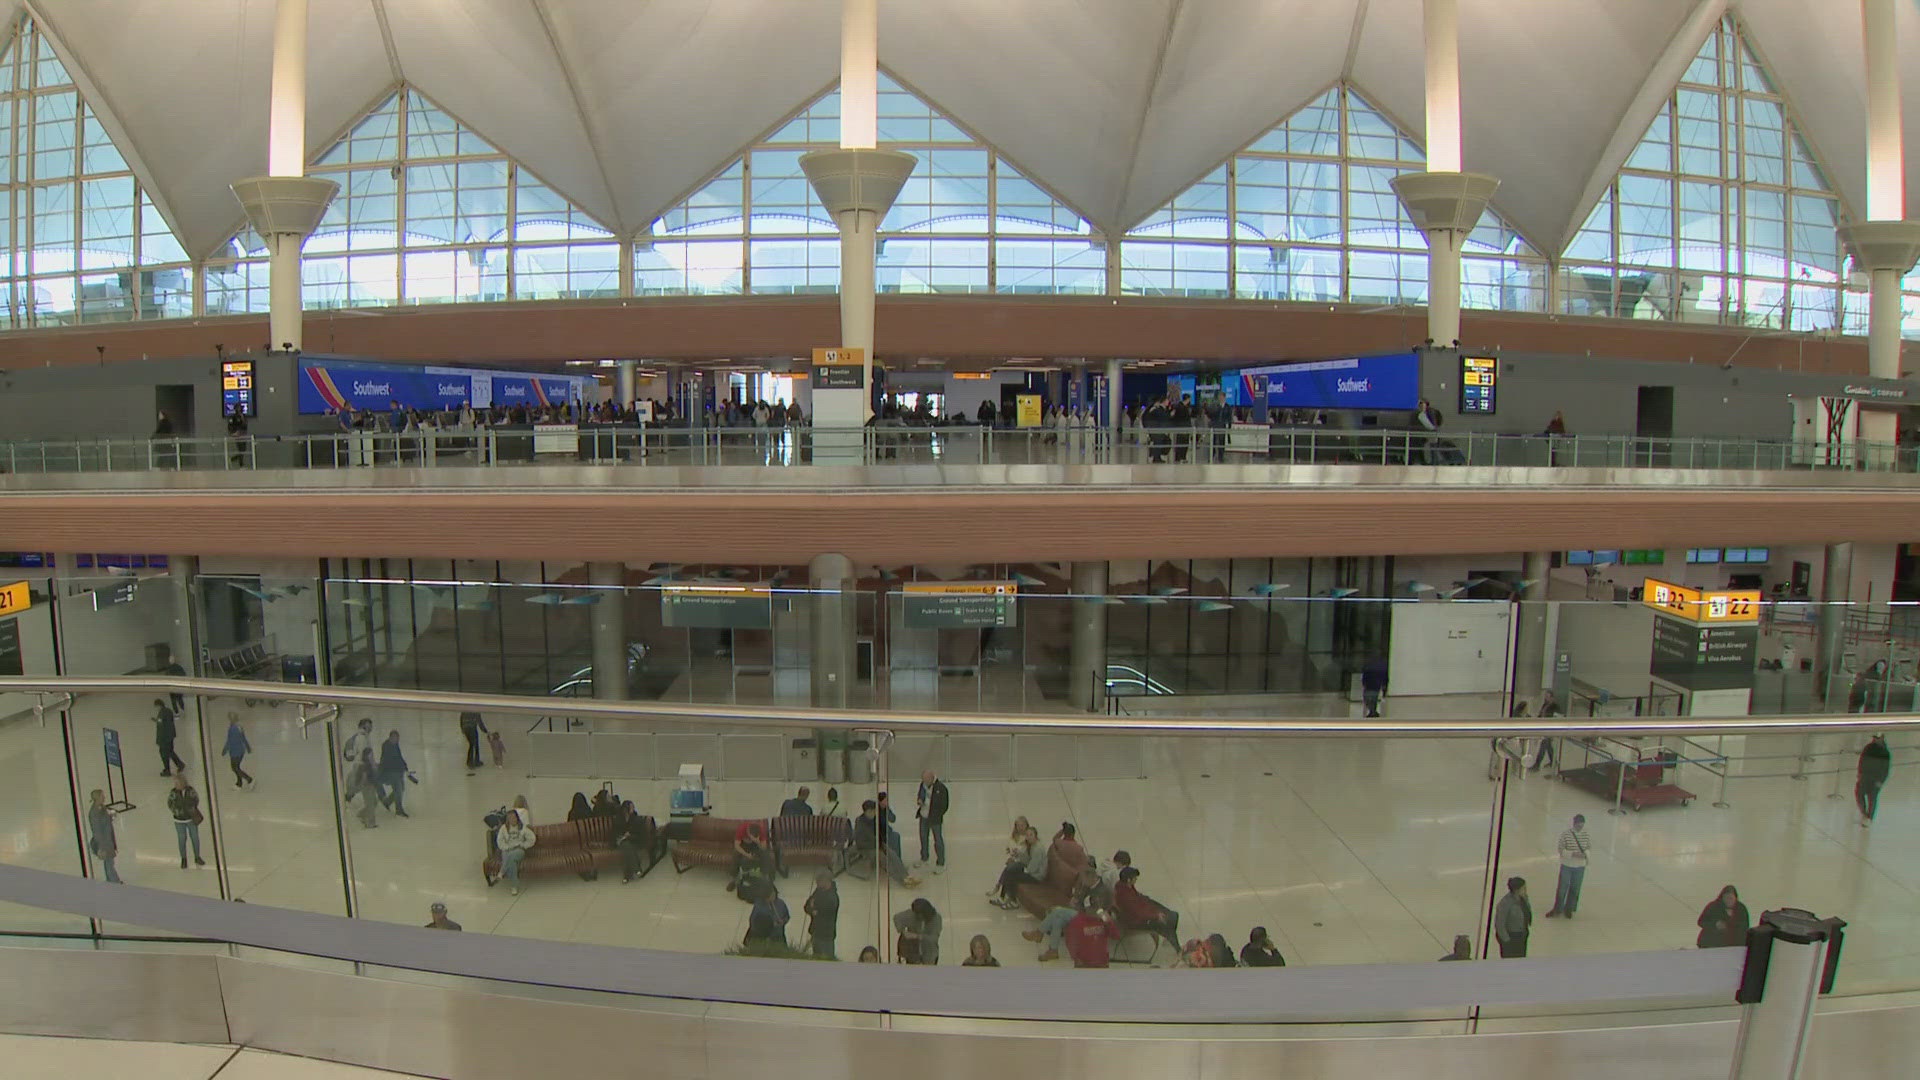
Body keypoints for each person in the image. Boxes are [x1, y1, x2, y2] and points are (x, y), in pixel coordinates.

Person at [1112, 866, 1181, 952]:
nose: (1136, 880)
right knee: (1165, 923)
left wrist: (1155, 911)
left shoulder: (1126, 887)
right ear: (1129, 880)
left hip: (1141, 915)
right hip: (1135, 921)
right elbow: (1138, 912)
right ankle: (1177, 949)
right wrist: (1156, 915)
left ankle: (1171, 941)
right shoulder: (1124, 895)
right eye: (1135, 878)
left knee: (1173, 915)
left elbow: (1138, 902)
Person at [854, 800, 921, 887]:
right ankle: (902, 881)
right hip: (866, 848)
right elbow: (860, 842)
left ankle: (906, 876)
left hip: (877, 844)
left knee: (892, 853)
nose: (874, 813)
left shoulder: (874, 819)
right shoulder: (860, 823)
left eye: (875, 811)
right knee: (884, 859)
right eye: (872, 811)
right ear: (866, 811)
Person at [1544, 814, 1590, 919]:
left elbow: (1588, 848)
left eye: (1582, 825)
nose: (1580, 827)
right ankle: (1558, 908)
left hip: (1580, 867)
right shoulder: (1566, 834)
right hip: (1567, 865)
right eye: (1578, 825)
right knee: (1562, 888)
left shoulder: (1586, 835)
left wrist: (1585, 854)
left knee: (1575, 888)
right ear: (1574, 824)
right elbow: (1560, 849)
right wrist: (1573, 854)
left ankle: (1569, 909)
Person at [992, 824, 1046, 909]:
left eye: (1031, 835)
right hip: (1031, 871)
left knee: (1012, 876)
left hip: (1036, 876)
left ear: (1035, 835)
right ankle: (1002, 897)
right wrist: (1019, 854)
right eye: (1027, 835)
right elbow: (1027, 860)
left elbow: (1032, 869)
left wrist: (1021, 868)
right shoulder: (1031, 845)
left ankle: (1013, 901)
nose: (1028, 837)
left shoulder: (1038, 849)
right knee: (1009, 869)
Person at [166, 773, 205, 870]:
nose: (176, 785)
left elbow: (196, 800)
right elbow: (170, 804)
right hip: (179, 820)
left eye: (177, 783)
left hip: (190, 819)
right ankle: (183, 859)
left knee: (195, 838)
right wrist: (177, 811)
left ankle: (197, 857)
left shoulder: (190, 790)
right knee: (182, 839)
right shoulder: (173, 793)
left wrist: (191, 808)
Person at [915, 769, 950, 871]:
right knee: (923, 837)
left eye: (926, 780)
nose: (924, 782)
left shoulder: (941, 788)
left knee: (938, 840)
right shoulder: (923, 785)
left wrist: (937, 814)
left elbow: (945, 805)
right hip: (923, 816)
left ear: (931, 778)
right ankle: (924, 858)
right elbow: (920, 794)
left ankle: (941, 862)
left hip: (935, 819)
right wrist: (920, 800)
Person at [495, 808, 535, 896]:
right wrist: (507, 847)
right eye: (510, 818)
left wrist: (523, 845)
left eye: (514, 817)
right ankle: (514, 886)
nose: (512, 820)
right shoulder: (503, 828)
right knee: (511, 861)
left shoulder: (523, 827)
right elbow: (500, 841)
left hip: (518, 850)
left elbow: (532, 839)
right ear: (507, 819)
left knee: (512, 856)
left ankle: (501, 872)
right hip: (507, 850)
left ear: (517, 818)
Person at [87, 789, 122, 884]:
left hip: (109, 839)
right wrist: (101, 847)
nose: (104, 798)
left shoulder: (102, 808)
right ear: (97, 798)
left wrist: (111, 816)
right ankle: (115, 881)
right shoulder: (94, 814)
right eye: (102, 796)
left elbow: (105, 819)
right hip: (104, 842)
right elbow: (97, 832)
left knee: (108, 862)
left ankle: (110, 880)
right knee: (110, 863)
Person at [614, 800, 654, 883]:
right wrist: (623, 836)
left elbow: (640, 834)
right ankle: (636, 869)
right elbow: (615, 832)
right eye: (631, 807)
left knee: (627, 849)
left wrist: (629, 836)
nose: (633, 809)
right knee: (626, 846)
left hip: (634, 841)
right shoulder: (619, 819)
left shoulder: (636, 819)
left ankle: (626, 876)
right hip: (620, 841)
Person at [894, 898, 942, 965]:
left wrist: (917, 936)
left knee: (929, 971)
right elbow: (897, 918)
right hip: (913, 952)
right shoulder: (912, 914)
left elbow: (933, 938)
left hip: (929, 952)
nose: (916, 916)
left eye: (918, 914)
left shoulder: (936, 919)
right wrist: (903, 931)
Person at [1857, 734, 1892, 826]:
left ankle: (1869, 817)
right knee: (1859, 793)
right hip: (1865, 776)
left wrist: (1881, 781)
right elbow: (1862, 760)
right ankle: (1864, 813)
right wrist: (1860, 773)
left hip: (1876, 778)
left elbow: (1885, 769)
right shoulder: (1868, 748)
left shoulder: (1885, 752)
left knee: (1872, 797)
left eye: (1877, 738)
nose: (1875, 740)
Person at [804, 871, 839, 959]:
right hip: (815, 932)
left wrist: (814, 907)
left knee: (827, 958)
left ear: (826, 881)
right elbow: (807, 906)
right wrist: (813, 910)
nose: (817, 884)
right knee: (816, 957)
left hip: (826, 935)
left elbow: (823, 912)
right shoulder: (818, 891)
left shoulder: (832, 897)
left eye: (818, 881)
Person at [1493, 876, 1531, 957]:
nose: (1525, 889)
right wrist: (1506, 940)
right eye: (1523, 888)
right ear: (1516, 890)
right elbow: (1499, 924)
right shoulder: (1505, 903)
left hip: (1522, 934)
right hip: (1511, 937)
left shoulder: (1524, 898)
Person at [377, 730, 411, 817]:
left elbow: (399, 757)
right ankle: (399, 810)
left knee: (400, 789)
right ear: (390, 737)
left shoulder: (395, 745)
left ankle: (387, 802)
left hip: (397, 771)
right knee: (398, 789)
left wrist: (405, 767)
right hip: (390, 772)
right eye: (395, 738)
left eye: (398, 738)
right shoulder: (387, 746)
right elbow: (389, 760)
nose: (397, 740)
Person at [348, 748, 380, 829]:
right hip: (366, 786)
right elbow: (360, 777)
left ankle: (361, 814)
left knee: (374, 802)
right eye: (370, 754)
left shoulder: (372, 764)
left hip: (372, 785)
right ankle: (370, 823)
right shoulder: (363, 765)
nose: (371, 756)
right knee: (370, 805)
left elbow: (376, 773)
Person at [153, 699, 186, 776]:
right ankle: (179, 764)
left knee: (164, 753)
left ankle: (167, 770)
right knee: (170, 752)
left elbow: (163, 725)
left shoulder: (163, 713)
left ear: (159, 705)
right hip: (169, 736)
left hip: (165, 738)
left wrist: (161, 740)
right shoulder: (168, 711)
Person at [223, 713, 254, 790]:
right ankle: (239, 783)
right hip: (240, 751)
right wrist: (248, 747)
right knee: (235, 767)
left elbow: (229, 741)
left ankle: (249, 779)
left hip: (235, 752)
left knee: (235, 768)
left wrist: (225, 750)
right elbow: (243, 738)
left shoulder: (232, 729)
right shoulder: (239, 727)